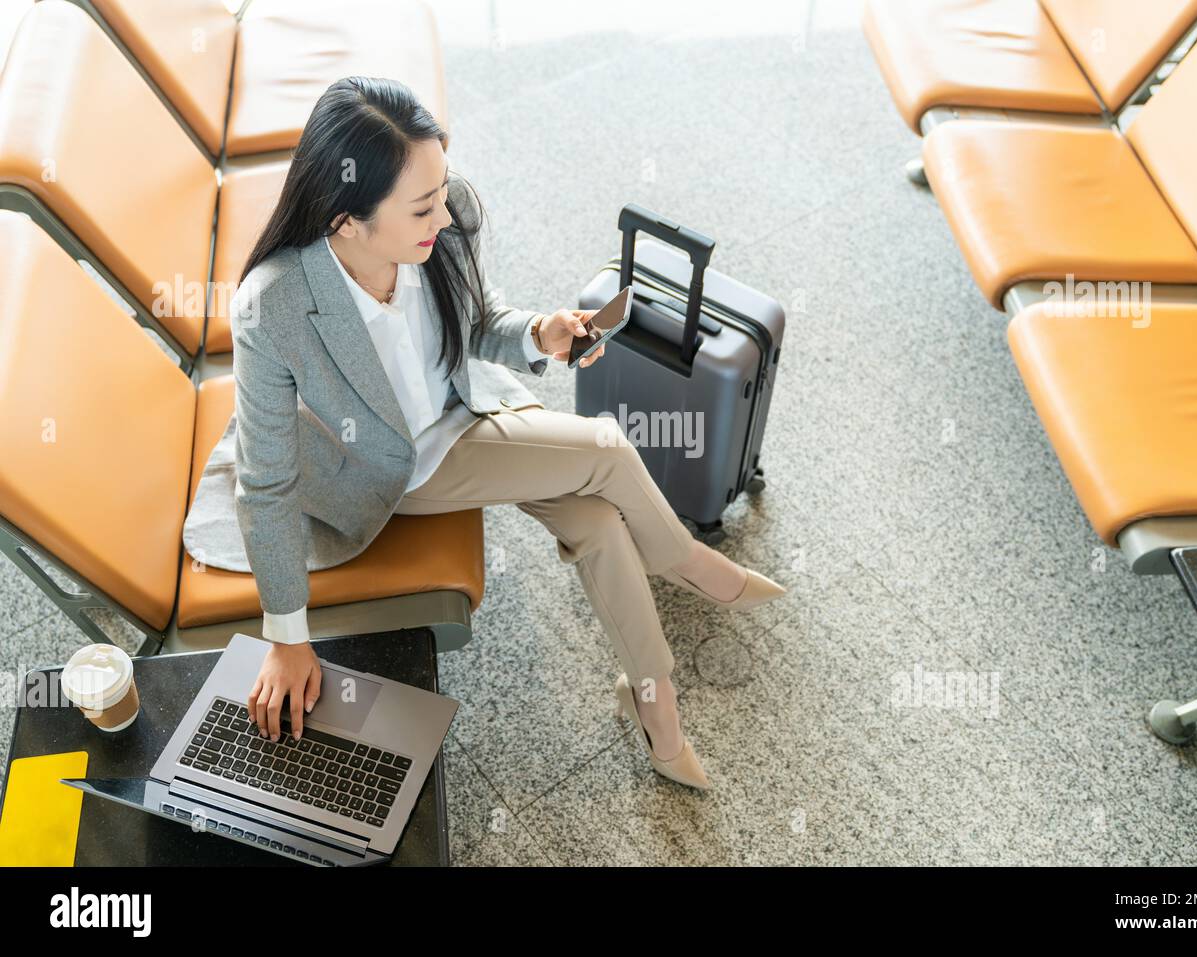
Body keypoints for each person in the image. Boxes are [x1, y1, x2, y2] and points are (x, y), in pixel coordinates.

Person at [182, 76, 786, 790]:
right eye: (422, 205)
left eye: (442, 187)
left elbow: (478, 320)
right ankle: (692, 564)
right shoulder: (276, 303)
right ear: (347, 220)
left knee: (596, 521)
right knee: (606, 449)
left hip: (466, 410)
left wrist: (538, 332)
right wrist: (287, 636)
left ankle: (658, 713)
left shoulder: (445, 212)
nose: (446, 209)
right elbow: (267, 482)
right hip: (391, 467)